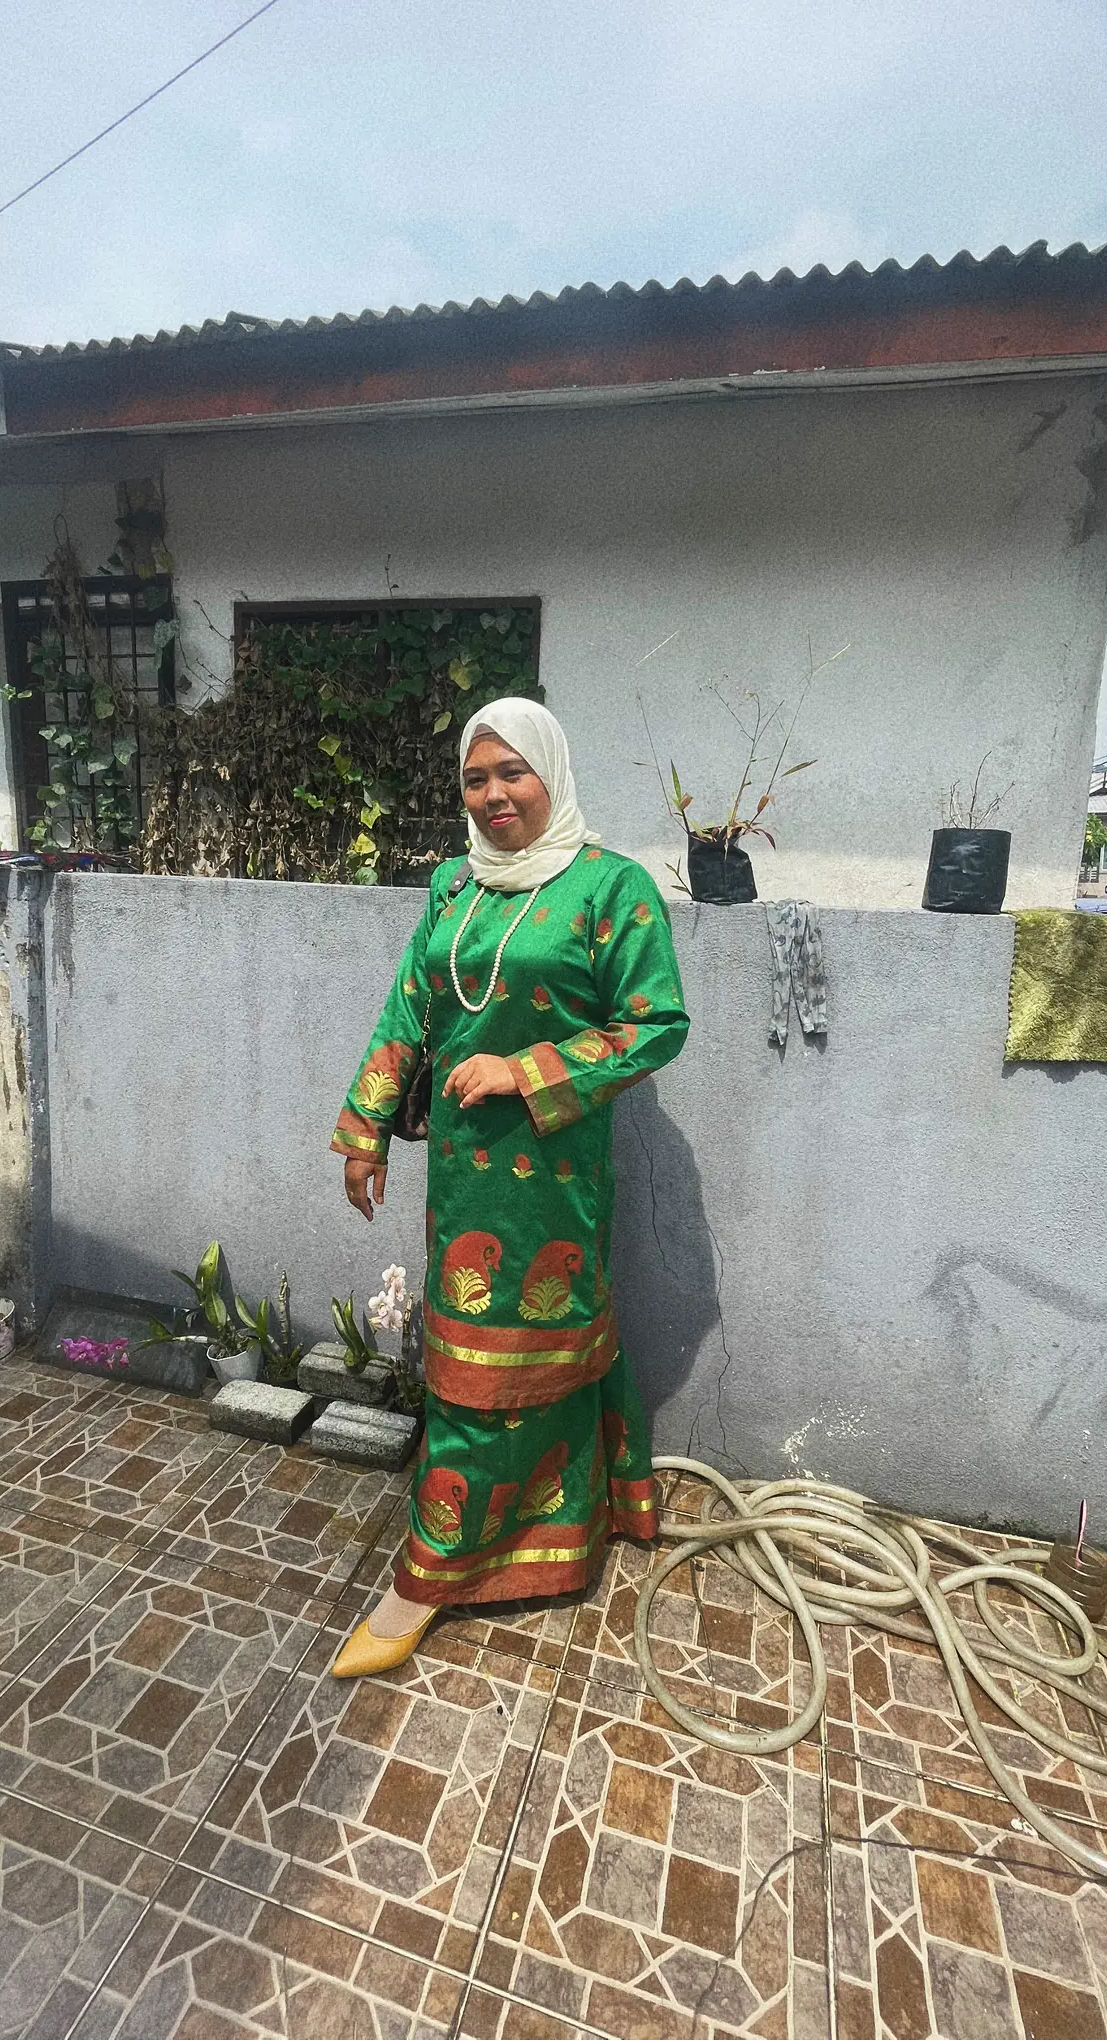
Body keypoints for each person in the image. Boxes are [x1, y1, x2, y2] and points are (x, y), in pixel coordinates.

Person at [329, 698, 690, 1676]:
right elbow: (409, 1006)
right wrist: (367, 1130)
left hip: (552, 1182)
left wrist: (525, 1071)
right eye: (475, 778)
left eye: (511, 774)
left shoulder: (614, 891)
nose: (493, 796)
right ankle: (543, 1534)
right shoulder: (454, 888)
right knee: (470, 1363)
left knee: (534, 1351)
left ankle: (430, 1576)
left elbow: (656, 1025)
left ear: (550, 775)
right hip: (463, 1185)